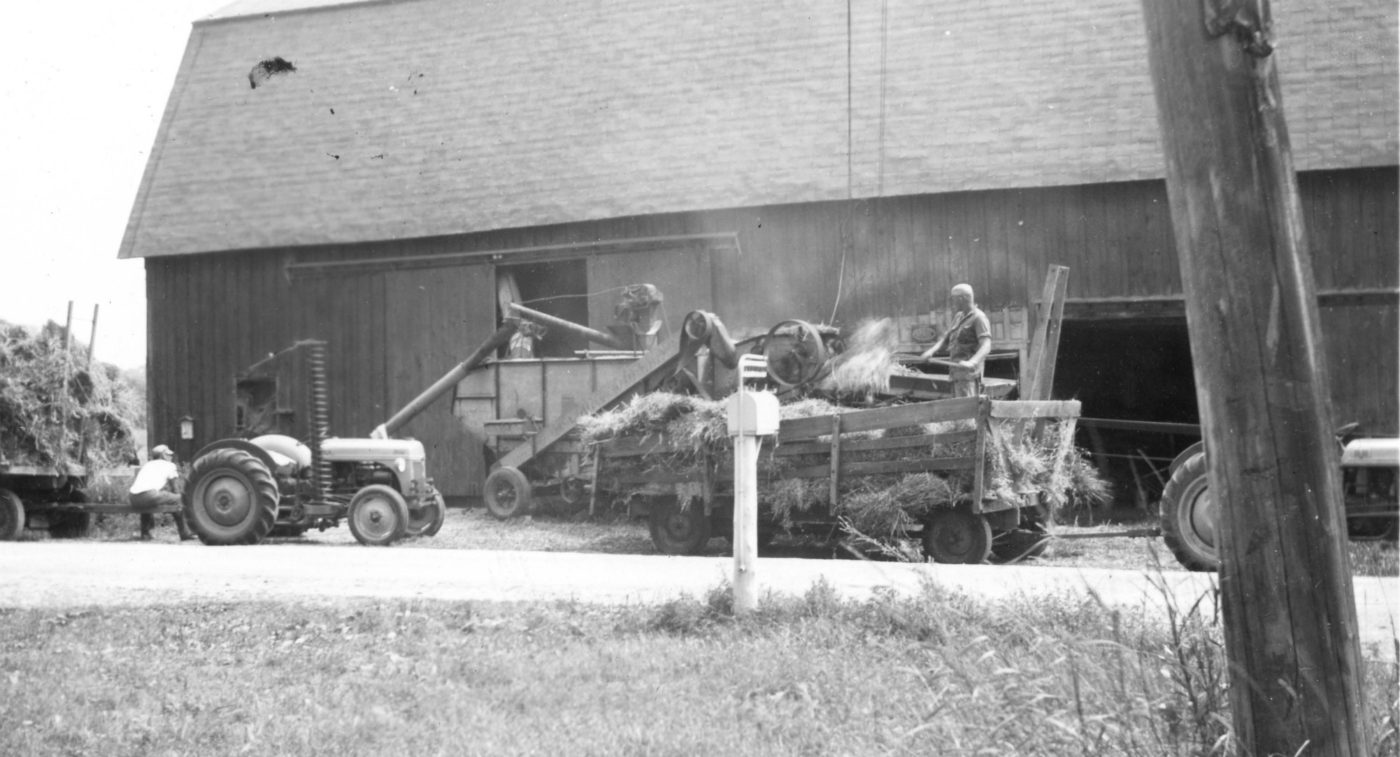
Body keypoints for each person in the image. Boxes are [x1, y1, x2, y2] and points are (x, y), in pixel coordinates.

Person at [920, 283, 992, 398]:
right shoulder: (958, 317)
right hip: (956, 374)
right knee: (959, 411)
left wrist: (971, 362)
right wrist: (931, 352)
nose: (952, 303)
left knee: (967, 412)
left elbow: (986, 345)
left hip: (969, 376)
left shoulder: (979, 318)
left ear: (961, 299)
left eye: (953, 299)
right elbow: (946, 339)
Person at [128, 444, 194, 541]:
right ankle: (184, 533)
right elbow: (175, 488)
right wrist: (177, 497)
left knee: (150, 499)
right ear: (162, 455)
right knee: (180, 498)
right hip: (149, 496)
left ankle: (145, 533)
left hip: (133, 497)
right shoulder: (170, 465)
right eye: (168, 454)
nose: (170, 457)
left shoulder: (148, 464)